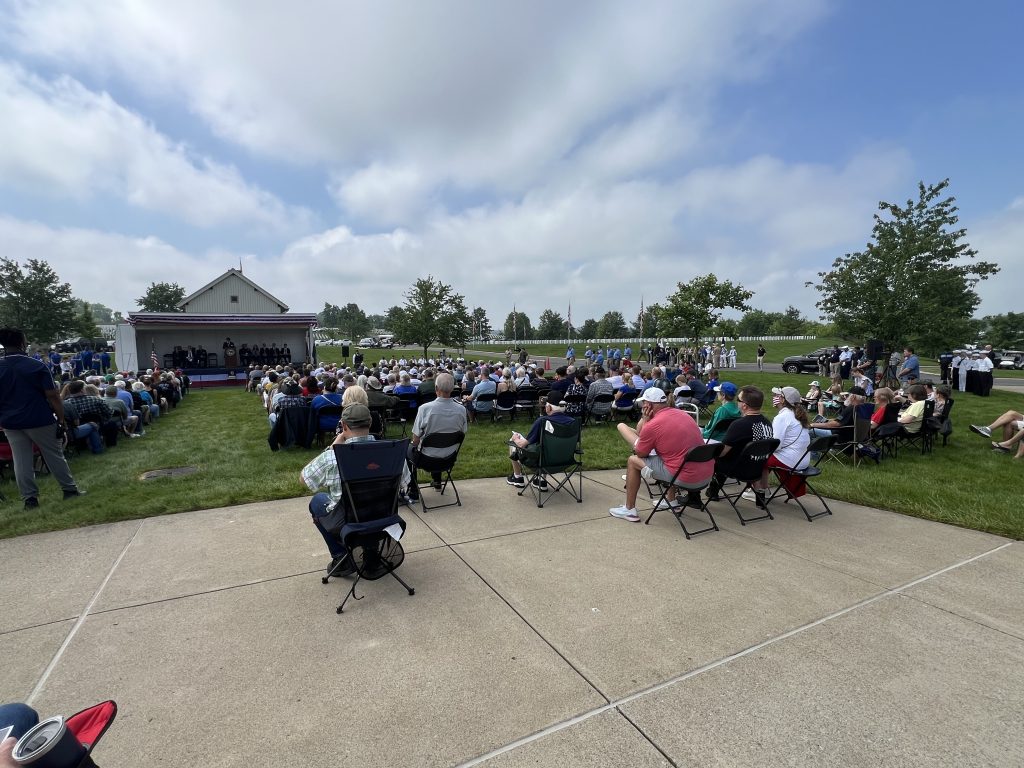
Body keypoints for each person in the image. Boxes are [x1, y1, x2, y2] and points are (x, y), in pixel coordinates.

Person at [0, 327, 83, 509]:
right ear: (22, 343)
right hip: (38, 418)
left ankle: (30, 499)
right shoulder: (36, 365)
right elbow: (53, 396)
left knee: (21, 460)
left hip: (10, 422)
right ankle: (69, 489)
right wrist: (61, 419)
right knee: (53, 455)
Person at [609, 388, 711, 521]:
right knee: (673, 458)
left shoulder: (653, 424)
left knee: (633, 461)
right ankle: (671, 500)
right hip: (705, 476)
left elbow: (640, 453)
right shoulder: (683, 414)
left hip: (686, 478)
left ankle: (629, 510)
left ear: (648, 405)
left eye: (643, 403)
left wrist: (646, 420)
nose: (642, 406)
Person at [300, 403, 377, 577]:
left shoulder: (333, 456)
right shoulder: (391, 452)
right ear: (370, 422)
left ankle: (341, 556)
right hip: (383, 516)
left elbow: (304, 479)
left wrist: (333, 446)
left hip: (349, 521)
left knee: (317, 501)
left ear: (344, 425)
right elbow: (404, 482)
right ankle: (371, 553)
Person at [406, 373, 467, 499]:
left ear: (436, 388)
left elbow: (415, 440)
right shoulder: (461, 409)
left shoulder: (425, 409)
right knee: (439, 442)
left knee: (406, 449)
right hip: (449, 458)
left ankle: (413, 490)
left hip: (426, 459)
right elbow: (462, 432)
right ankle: (437, 481)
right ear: (452, 389)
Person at [707, 386, 774, 502]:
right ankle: (713, 491)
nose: (736, 402)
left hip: (740, 470)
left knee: (714, 458)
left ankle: (707, 492)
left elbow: (722, 452)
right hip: (758, 468)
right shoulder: (767, 423)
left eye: (738, 400)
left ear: (744, 405)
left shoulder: (739, 425)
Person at [751, 386, 810, 505]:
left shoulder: (782, 417)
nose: (774, 397)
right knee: (765, 456)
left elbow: (775, 445)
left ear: (783, 400)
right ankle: (764, 488)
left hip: (791, 461)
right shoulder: (796, 415)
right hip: (803, 460)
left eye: (777, 395)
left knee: (757, 457)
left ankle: (759, 490)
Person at [505, 393, 575, 490]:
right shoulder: (573, 422)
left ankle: (518, 478)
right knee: (544, 446)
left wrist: (515, 438)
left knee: (514, 442)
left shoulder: (542, 421)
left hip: (543, 462)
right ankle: (540, 481)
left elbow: (522, 445)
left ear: (549, 407)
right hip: (565, 461)